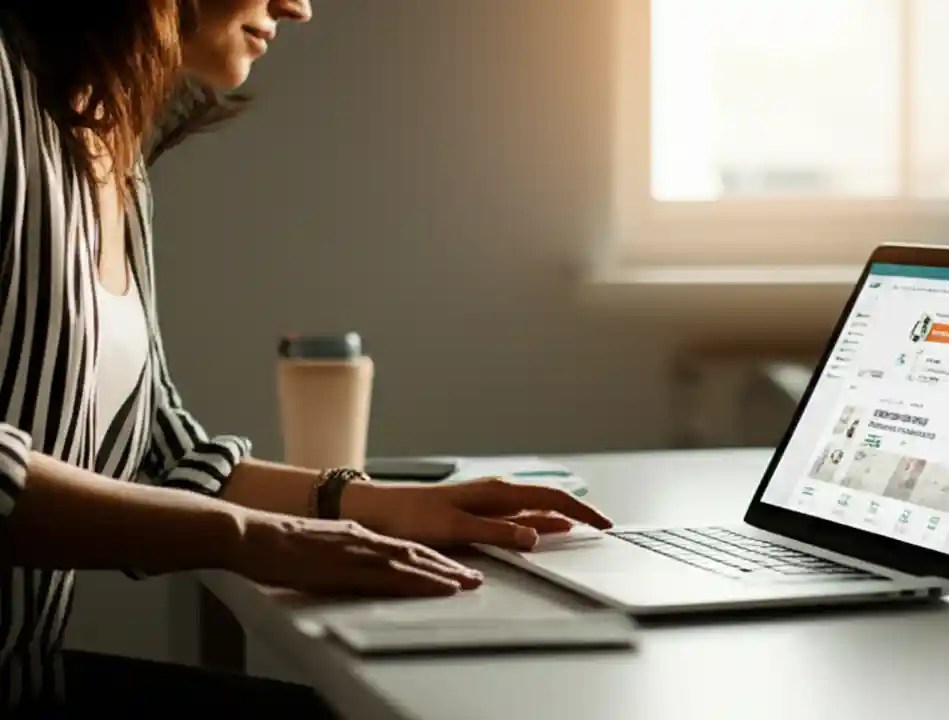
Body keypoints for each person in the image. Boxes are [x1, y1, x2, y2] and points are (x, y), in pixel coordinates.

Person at [0, 1, 613, 715]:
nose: (298, 5)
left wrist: (376, 504)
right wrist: (258, 539)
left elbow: (154, 451)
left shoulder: (111, 137)